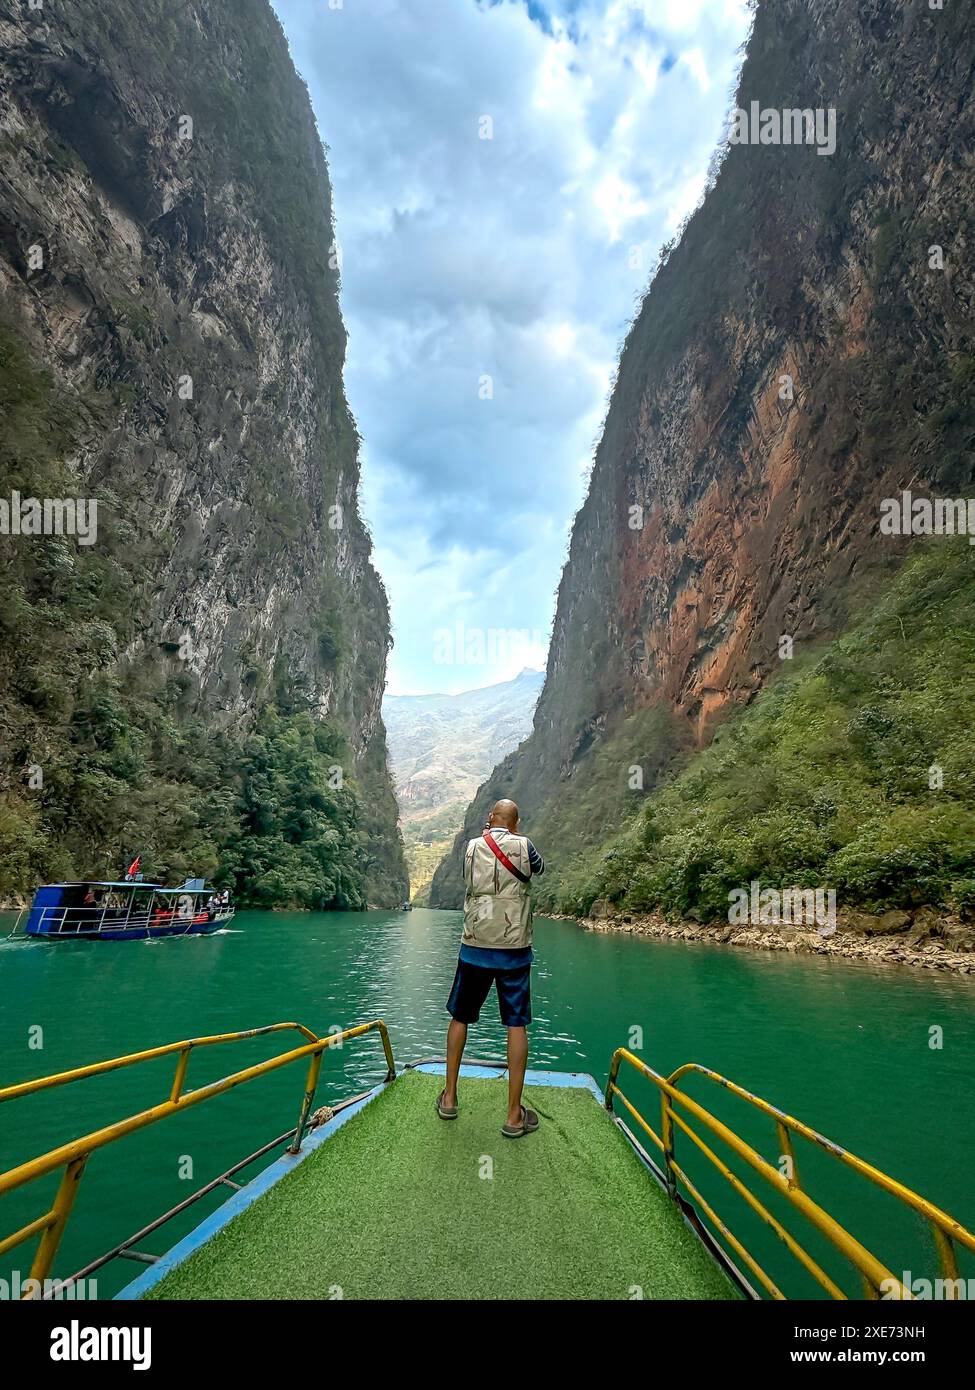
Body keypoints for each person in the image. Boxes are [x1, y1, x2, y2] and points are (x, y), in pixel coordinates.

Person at [438, 798, 544, 1138]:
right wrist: (517, 840)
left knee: (460, 1017)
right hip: (513, 949)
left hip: (475, 947)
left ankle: (450, 1098)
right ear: (515, 822)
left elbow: (469, 878)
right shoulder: (525, 845)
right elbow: (536, 869)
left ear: (490, 818)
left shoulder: (471, 847)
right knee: (516, 1025)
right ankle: (514, 1116)